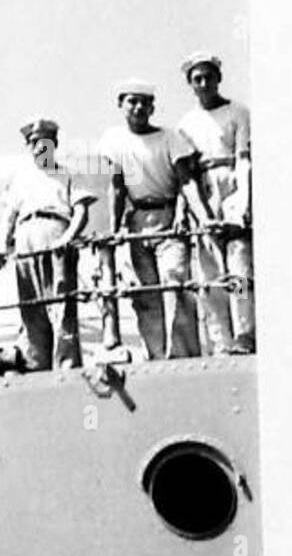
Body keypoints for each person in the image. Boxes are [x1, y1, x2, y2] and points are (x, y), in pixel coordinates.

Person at [99, 79, 217, 360]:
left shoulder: (170, 138)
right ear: (121, 105)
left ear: (153, 106)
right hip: (137, 222)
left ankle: (183, 356)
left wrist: (202, 218)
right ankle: (154, 356)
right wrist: (115, 230)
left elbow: (186, 182)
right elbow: (116, 187)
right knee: (146, 294)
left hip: (169, 219)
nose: (139, 107)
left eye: (144, 102)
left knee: (174, 284)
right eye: (132, 101)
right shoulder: (114, 140)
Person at [0, 118, 96, 371]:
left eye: (46, 143)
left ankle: (66, 363)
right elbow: (8, 216)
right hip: (26, 235)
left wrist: (67, 238)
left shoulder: (67, 174)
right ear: (28, 146)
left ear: (54, 145)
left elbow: (81, 211)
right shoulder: (19, 179)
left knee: (62, 304)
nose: (40, 147)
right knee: (30, 304)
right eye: (34, 143)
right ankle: (36, 362)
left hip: (56, 232)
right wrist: (2, 245)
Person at [177, 52, 254, 353]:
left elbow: (244, 158)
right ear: (190, 84)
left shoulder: (238, 112)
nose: (204, 83)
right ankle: (221, 340)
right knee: (209, 272)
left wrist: (244, 201)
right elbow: (185, 172)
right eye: (197, 79)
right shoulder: (186, 123)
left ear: (218, 78)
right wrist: (191, 210)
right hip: (202, 190)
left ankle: (245, 334)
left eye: (209, 77)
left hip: (233, 180)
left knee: (239, 264)